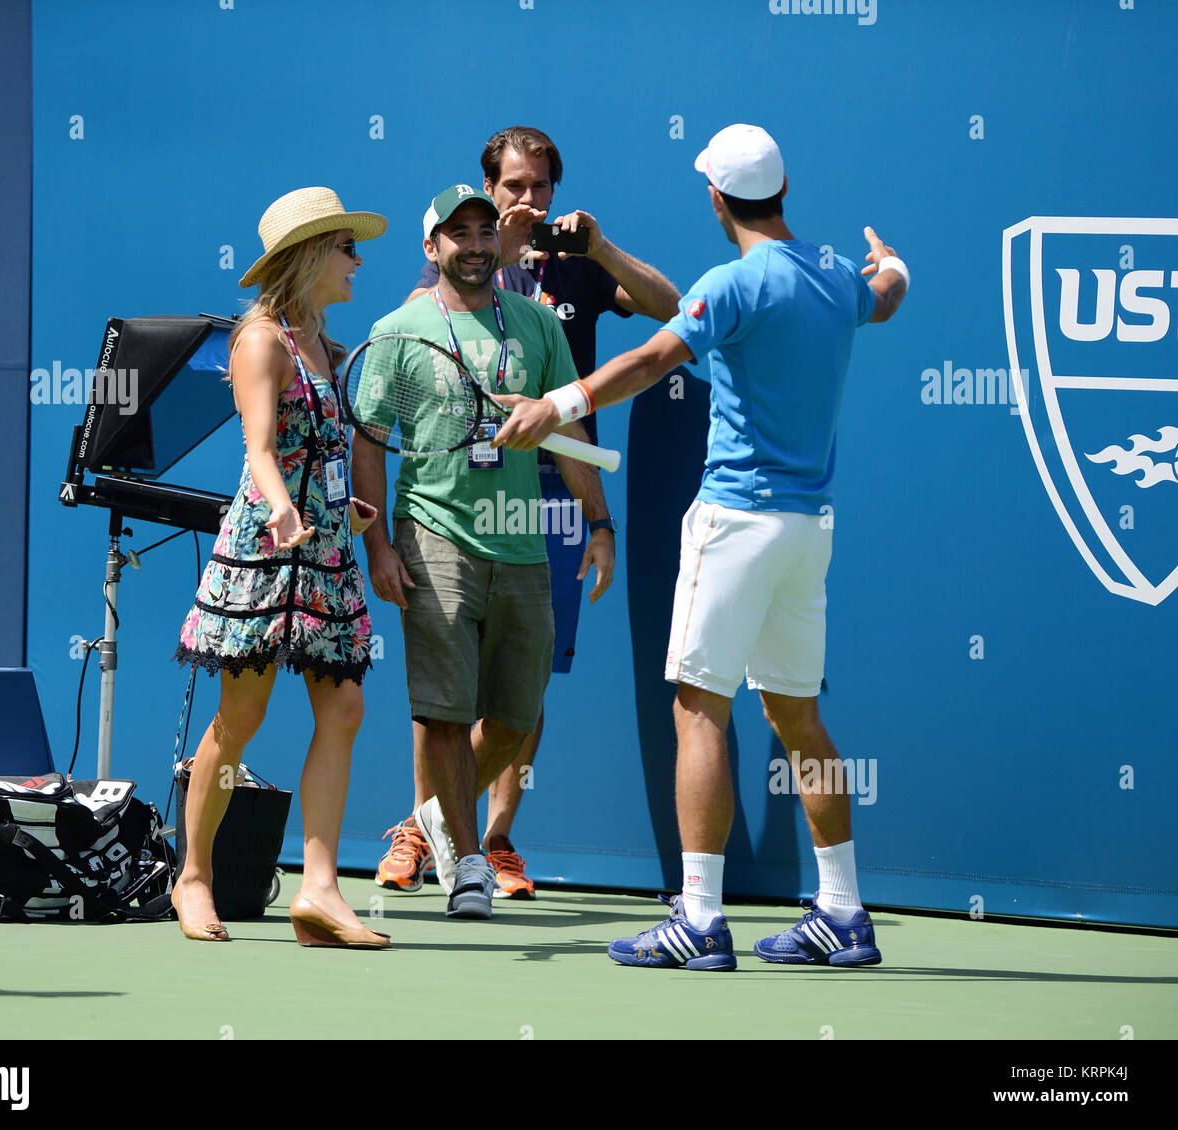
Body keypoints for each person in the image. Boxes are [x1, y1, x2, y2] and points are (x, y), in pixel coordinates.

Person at [493, 124, 908, 970]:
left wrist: (556, 406)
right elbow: (888, 292)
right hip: (806, 532)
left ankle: (701, 918)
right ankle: (842, 910)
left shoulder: (734, 282)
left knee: (699, 708)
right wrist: (893, 264)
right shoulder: (838, 277)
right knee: (797, 715)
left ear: (717, 200)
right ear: (779, 191)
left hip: (735, 524)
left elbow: (649, 358)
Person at [375, 126, 679, 900]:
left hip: (552, 497)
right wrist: (502, 255)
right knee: (444, 687)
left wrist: (601, 250)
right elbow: (414, 331)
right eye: (513, 185)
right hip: (455, 496)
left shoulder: (574, 272)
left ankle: (489, 836)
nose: (527, 199)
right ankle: (441, 834)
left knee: (525, 692)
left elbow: (670, 310)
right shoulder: (461, 266)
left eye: (539, 186)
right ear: (487, 188)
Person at [352, 184, 615, 919]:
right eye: (456, 233)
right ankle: (469, 865)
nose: (472, 244)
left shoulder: (536, 324)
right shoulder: (398, 330)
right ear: (432, 248)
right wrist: (377, 545)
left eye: (482, 231)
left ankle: (433, 821)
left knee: (515, 714)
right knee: (442, 712)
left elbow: (571, 433)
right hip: (433, 537)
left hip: (524, 545)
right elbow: (367, 444)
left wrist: (599, 526)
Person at [173, 186, 390, 949]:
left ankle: (320, 891)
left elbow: (324, 454)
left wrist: (344, 515)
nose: (357, 261)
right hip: (267, 554)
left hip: (326, 552)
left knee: (345, 711)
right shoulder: (261, 340)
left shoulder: (327, 346)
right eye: (345, 248)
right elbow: (259, 448)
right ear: (310, 256)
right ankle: (193, 877)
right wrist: (282, 508)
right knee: (243, 717)